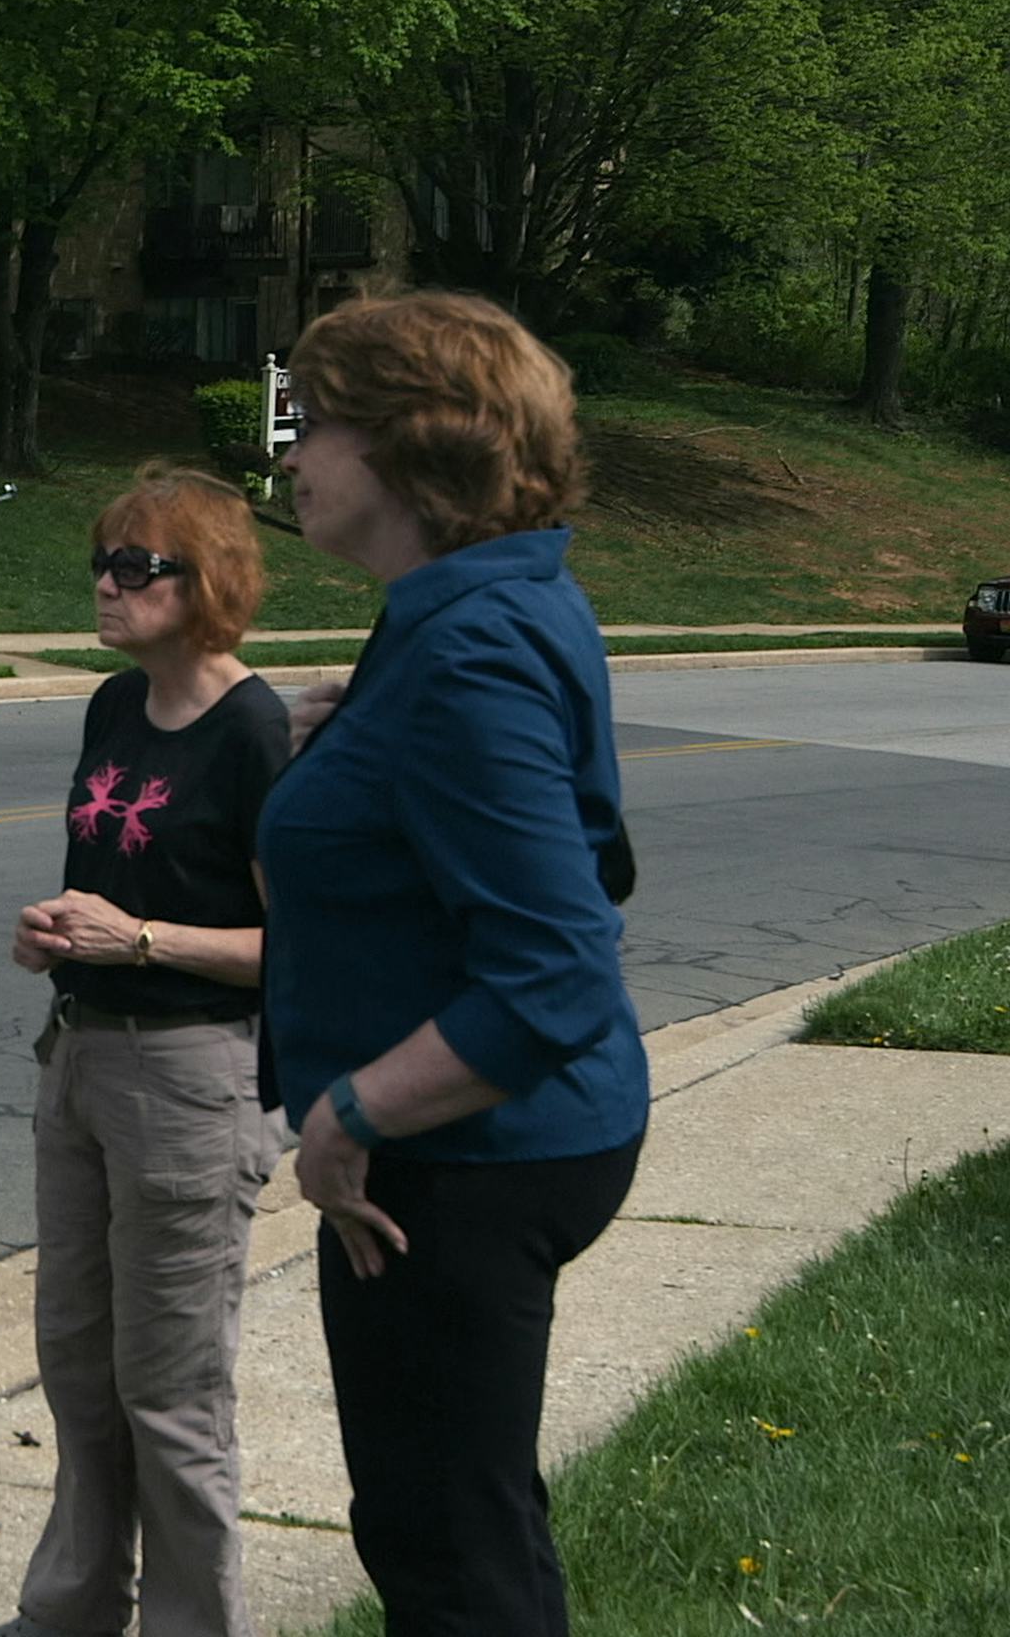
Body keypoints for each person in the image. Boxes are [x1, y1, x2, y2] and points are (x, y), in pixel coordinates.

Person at [258, 290, 648, 1636]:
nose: (292, 455)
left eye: (314, 424)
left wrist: (350, 1115)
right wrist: (339, 771)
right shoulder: (474, 610)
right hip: (487, 1147)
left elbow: (558, 968)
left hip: (464, 1162)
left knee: (447, 1550)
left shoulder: (469, 647)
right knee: (456, 1521)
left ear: (413, 443)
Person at [6, 465, 292, 1637]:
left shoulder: (257, 733)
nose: (107, 585)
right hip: (79, 1053)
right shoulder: (114, 706)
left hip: (189, 1076)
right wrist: (56, 933)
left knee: (170, 1387)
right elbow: (108, 883)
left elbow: (304, 947)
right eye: (102, 562)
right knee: (78, 1360)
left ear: (207, 581)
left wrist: (139, 939)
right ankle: (74, 1607)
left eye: (137, 566)